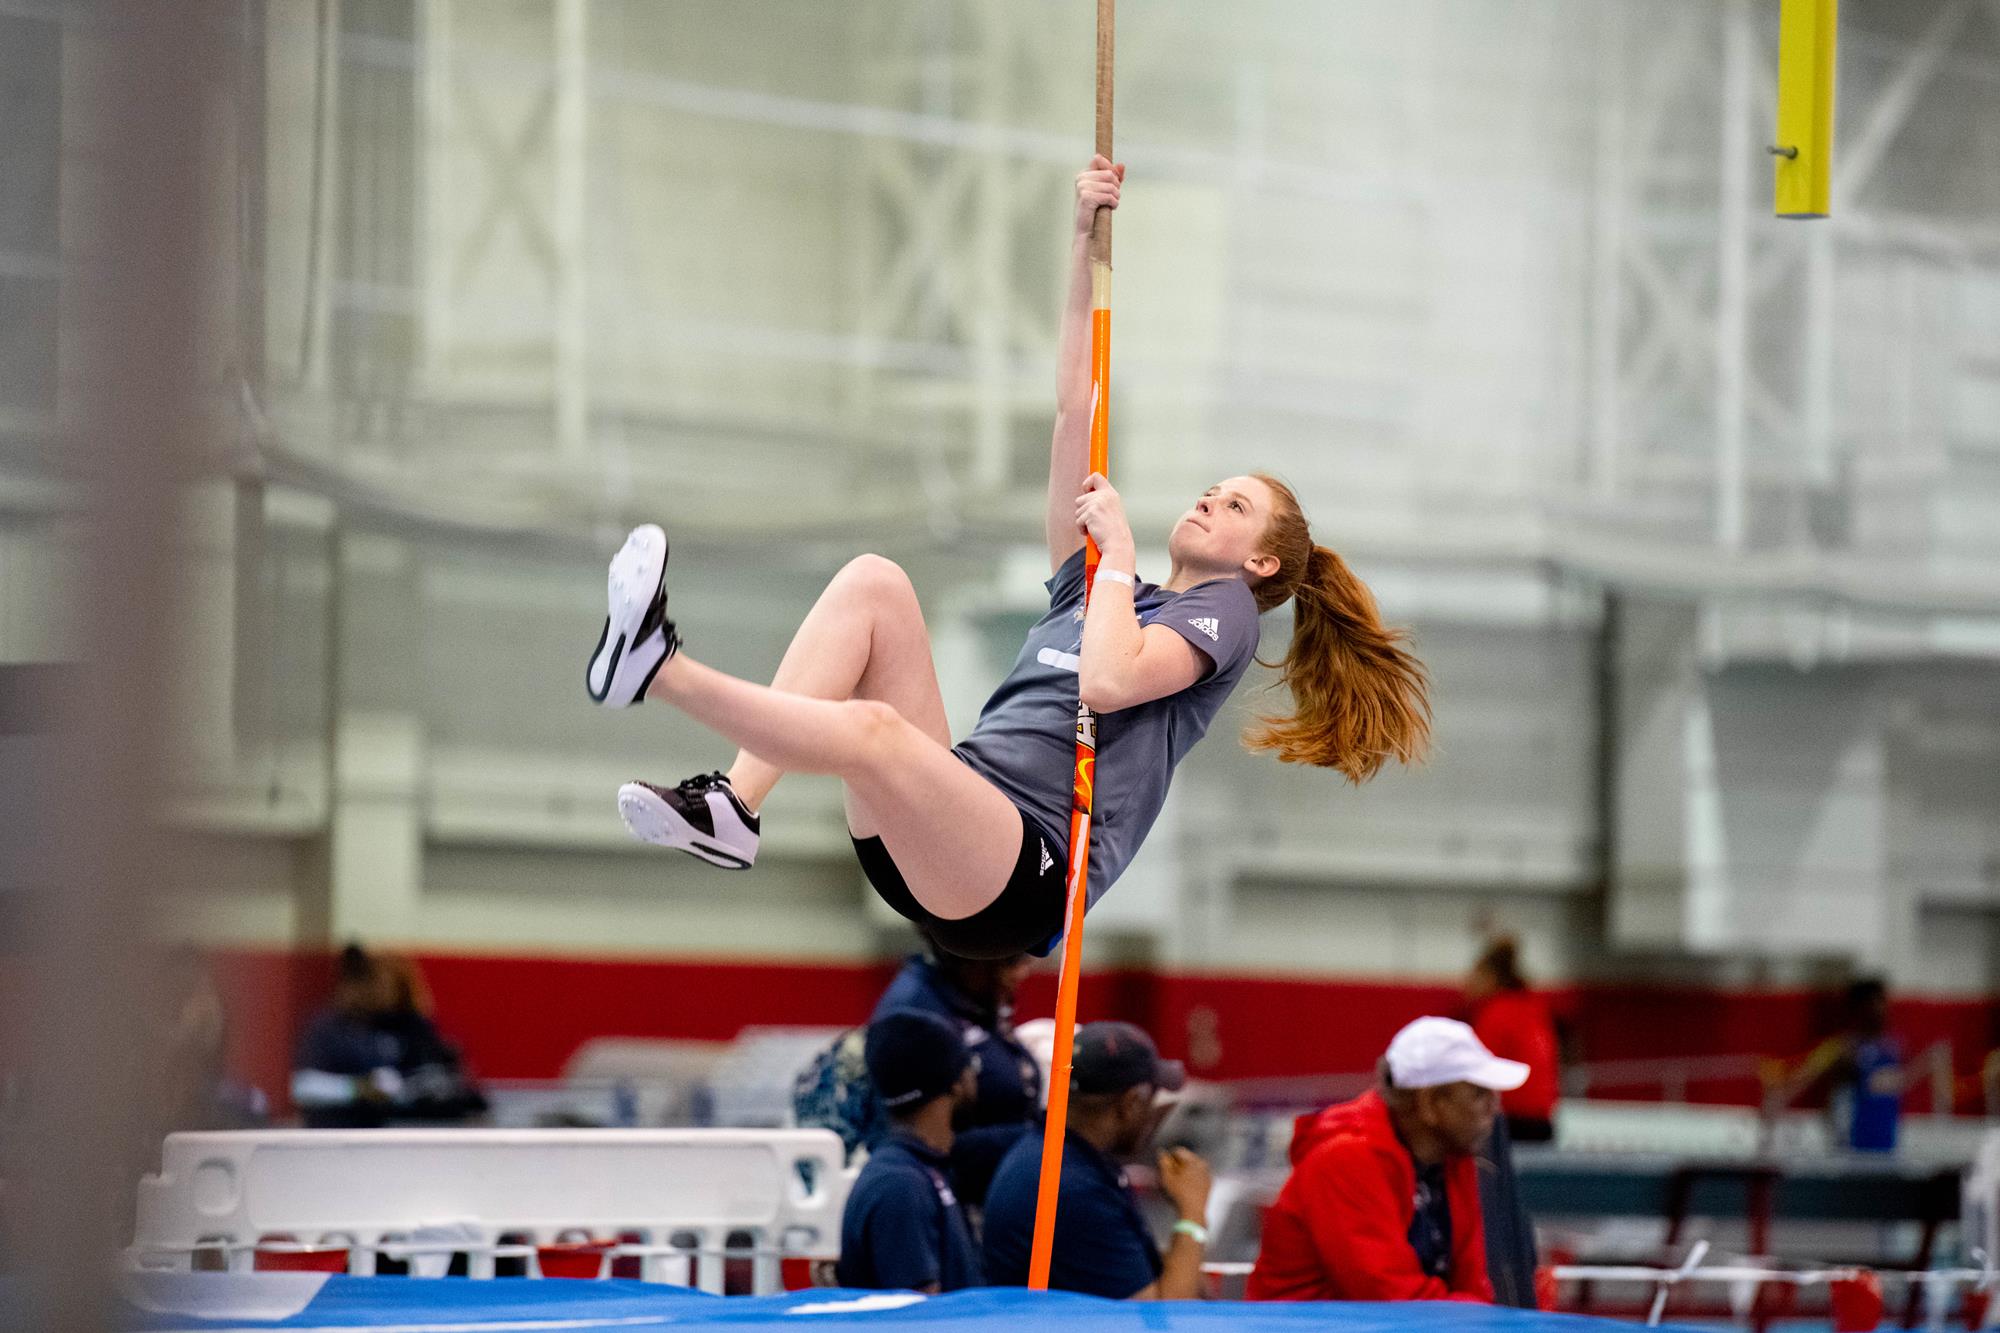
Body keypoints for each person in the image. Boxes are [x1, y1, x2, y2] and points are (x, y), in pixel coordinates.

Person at [587, 156, 1432, 961]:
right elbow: (1074, 408)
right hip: (945, 822)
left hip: (1022, 876)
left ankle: (659, 669)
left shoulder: (1225, 618)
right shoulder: (1098, 585)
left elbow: (1108, 681)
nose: (1210, 498)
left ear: (1263, 566)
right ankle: (735, 806)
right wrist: (1079, 241)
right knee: (876, 582)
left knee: (875, 733)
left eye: (1236, 506)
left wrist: (1120, 552)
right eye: (1214, 487)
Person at [1247, 1016, 1526, 1303]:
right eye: (1479, 1093)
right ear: (1430, 1104)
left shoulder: (1456, 1159)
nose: (1495, 1106)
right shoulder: (1344, 1159)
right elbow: (1390, 1296)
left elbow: (1472, 1285)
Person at [981, 1021, 1213, 1300]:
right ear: (1130, 1103)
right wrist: (1192, 1214)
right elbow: (1164, 1317)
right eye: (1153, 1097)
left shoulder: (1067, 1158)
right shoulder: (1071, 1188)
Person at [873, 939, 1039, 1205]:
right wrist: (1037, 1137)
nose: (1023, 972)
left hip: (992, 1189)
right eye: (1012, 960)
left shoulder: (972, 997)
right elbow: (915, 1132)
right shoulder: (916, 1007)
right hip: (948, 1192)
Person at [834, 1009, 984, 1293]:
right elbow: (919, 1316)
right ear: (954, 1082)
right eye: (970, 1065)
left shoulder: (921, 1169)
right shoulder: (901, 1185)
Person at [1770, 977, 1904, 1153]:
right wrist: (1775, 1103)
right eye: (1875, 1001)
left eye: (1883, 1001)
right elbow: (1797, 1082)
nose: (1882, 1008)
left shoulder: (1892, 1049)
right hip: (1850, 1151)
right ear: (1859, 1007)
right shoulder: (1840, 1048)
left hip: (1887, 1147)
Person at [291, 944, 402, 1129]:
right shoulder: (325, 1028)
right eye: (369, 986)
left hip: (371, 1136)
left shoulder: (376, 1027)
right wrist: (356, 1089)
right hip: (329, 1136)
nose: (375, 994)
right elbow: (303, 1087)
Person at [1463, 936, 1560, 1142]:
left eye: (1475, 976)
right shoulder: (1534, 1007)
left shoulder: (1496, 1014)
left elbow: (1476, 1073)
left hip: (1513, 1123)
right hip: (1543, 1121)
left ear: (1491, 978)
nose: (1467, 983)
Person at [373, 954, 488, 1125]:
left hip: (429, 1116)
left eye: (386, 983)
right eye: (377, 983)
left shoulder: (419, 1027)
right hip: (393, 1118)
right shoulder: (363, 1030)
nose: (381, 990)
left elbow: (472, 1100)